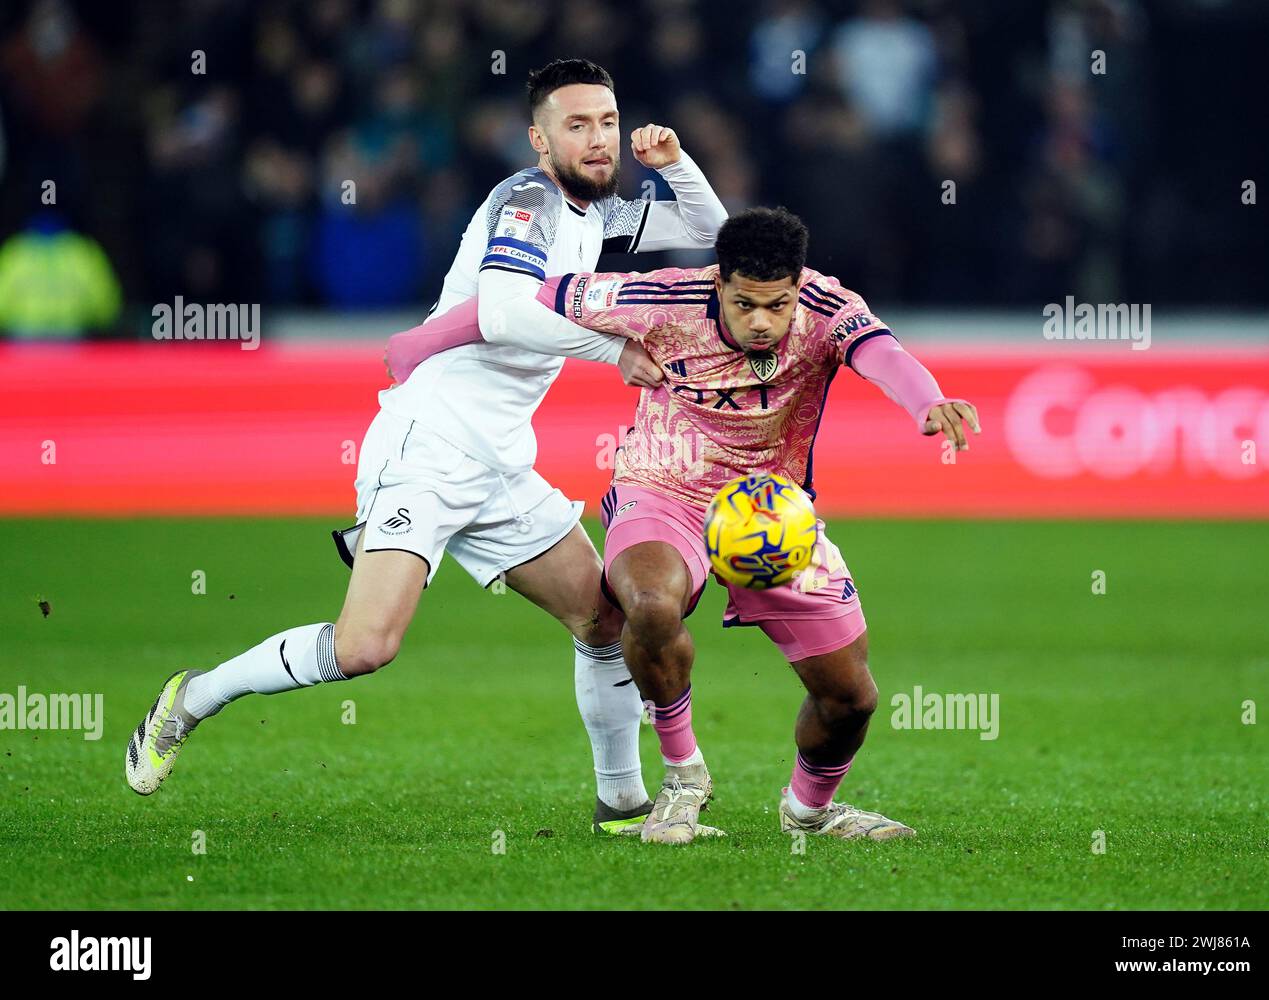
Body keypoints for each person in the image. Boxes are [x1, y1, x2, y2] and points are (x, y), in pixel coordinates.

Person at [126, 60, 728, 840]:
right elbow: (506, 313)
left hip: (502, 461)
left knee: (606, 620)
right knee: (366, 647)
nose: (597, 137)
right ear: (539, 140)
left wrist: (674, 162)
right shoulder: (527, 201)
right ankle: (193, 697)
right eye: (575, 124)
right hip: (430, 447)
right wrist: (613, 351)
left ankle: (622, 803)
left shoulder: (602, 215)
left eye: (607, 121)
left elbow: (714, 233)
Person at [383, 206, 981, 843]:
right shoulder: (661, 298)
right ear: (717, 282)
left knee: (851, 698)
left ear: (797, 288)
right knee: (647, 602)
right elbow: (508, 302)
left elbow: (883, 354)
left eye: (777, 306)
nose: (761, 321)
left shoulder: (828, 308)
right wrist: (419, 342)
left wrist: (928, 401)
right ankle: (682, 776)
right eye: (745, 303)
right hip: (664, 490)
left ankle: (810, 809)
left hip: (772, 516)